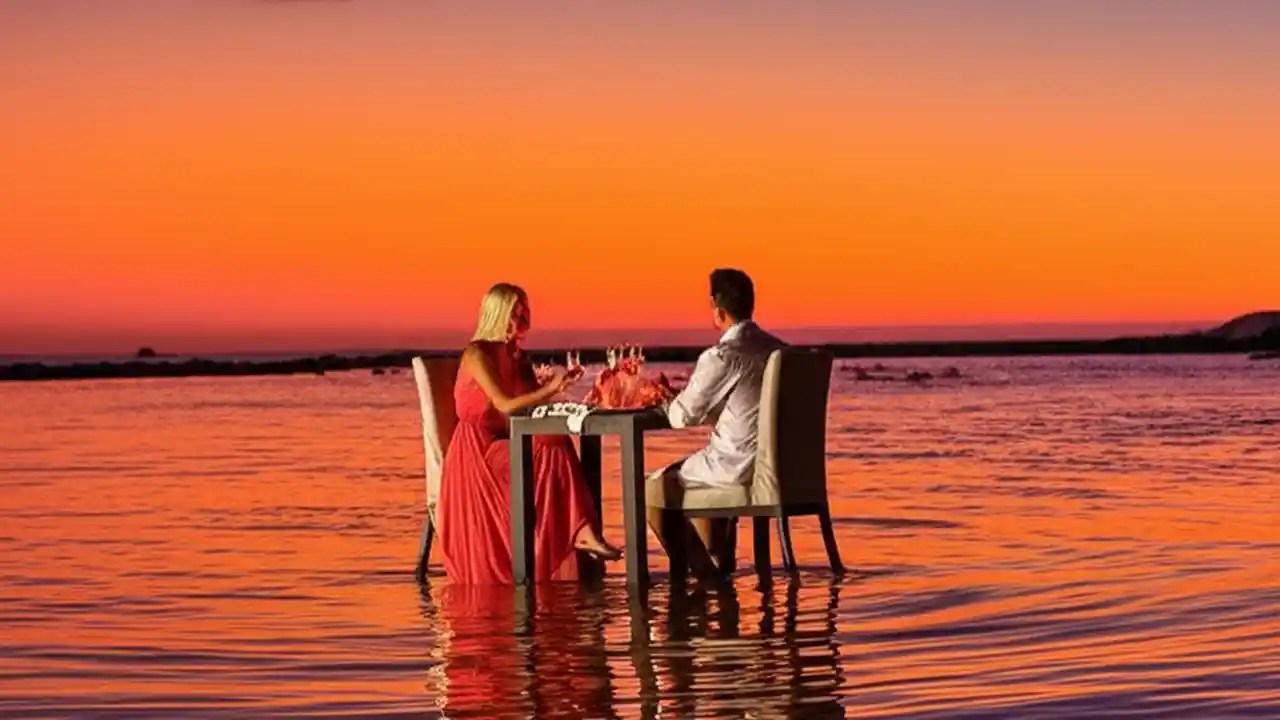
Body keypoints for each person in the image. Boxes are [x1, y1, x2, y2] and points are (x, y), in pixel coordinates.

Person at [438, 282, 621, 584]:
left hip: (509, 442)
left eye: (524, 315)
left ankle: (579, 532)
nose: (519, 323)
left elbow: (532, 408)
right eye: (513, 315)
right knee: (550, 443)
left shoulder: (519, 358)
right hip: (476, 454)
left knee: (552, 438)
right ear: (496, 315)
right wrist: (550, 389)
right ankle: (579, 531)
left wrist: (559, 391)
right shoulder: (477, 354)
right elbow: (506, 405)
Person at [647, 268, 785, 577]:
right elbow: (746, 406)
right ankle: (718, 570)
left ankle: (707, 579)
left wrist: (666, 399)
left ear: (717, 308)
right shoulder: (781, 351)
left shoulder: (721, 356)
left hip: (737, 466)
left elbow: (682, 417)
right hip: (781, 469)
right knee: (694, 476)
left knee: (652, 490)